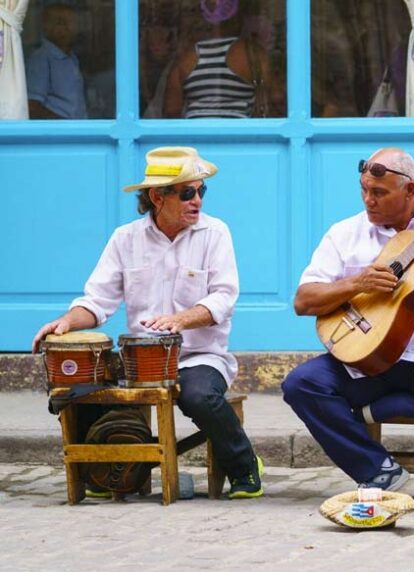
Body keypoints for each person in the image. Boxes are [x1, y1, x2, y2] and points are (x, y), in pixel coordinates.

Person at [31, 146, 263, 499]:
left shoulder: (215, 233)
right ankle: (104, 471)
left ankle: (245, 466)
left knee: (200, 396)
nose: (197, 200)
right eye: (187, 192)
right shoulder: (126, 238)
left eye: (202, 190)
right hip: (139, 362)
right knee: (78, 391)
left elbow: (223, 297)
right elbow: (96, 301)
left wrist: (180, 320)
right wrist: (65, 322)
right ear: (157, 197)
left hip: (199, 356)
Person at [282, 147, 414, 522]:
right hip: (368, 360)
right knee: (301, 383)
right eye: (364, 190)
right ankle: (377, 468)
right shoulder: (345, 233)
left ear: (411, 190)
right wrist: (356, 283)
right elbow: (303, 300)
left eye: (379, 192)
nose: (369, 199)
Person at [162, 0, 273, 118]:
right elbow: (274, 98)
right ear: (237, 14)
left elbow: (171, 110)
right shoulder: (252, 54)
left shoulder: (186, 58)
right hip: (240, 136)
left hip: (195, 136)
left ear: (204, 16)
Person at [27, 4, 88, 120]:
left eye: (70, 21)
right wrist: (65, 126)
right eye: (58, 22)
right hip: (61, 133)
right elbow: (33, 106)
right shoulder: (41, 58)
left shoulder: (72, 57)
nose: (64, 27)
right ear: (45, 27)